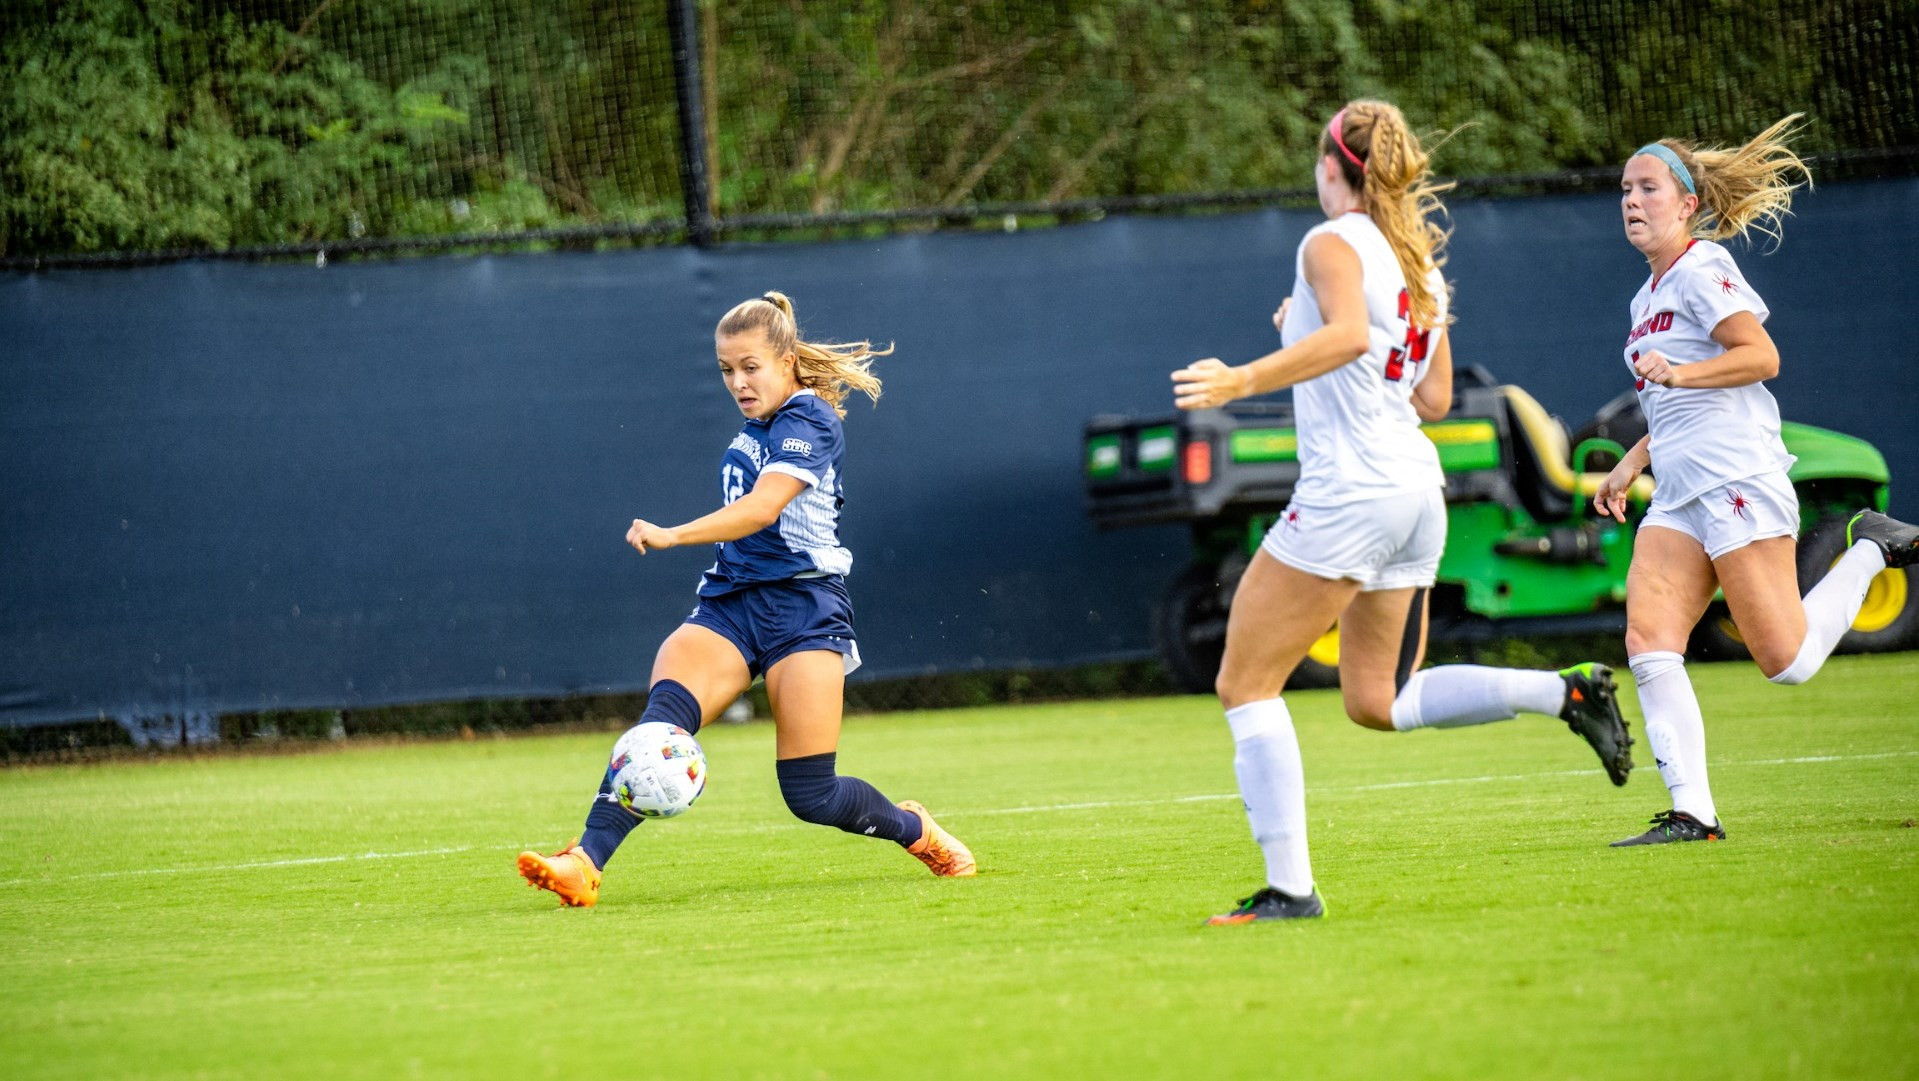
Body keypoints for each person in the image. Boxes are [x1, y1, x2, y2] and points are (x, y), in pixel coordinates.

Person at [1171, 100, 1635, 924]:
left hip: (1352, 487)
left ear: (1331, 166)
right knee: (1376, 700)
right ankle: (1560, 693)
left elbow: (1350, 337)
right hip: (1414, 488)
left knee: (1243, 682)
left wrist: (1247, 376)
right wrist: (1305, 330)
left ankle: (1289, 889)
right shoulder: (1412, 257)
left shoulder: (1330, 240)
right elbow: (1434, 394)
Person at [517, 292, 976, 907]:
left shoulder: (811, 421)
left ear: (787, 361)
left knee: (812, 795)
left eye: (750, 367)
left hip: (806, 609)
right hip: (730, 605)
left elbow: (762, 508)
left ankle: (915, 831)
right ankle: (583, 862)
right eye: (726, 370)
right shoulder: (757, 426)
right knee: (654, 733)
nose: (737, 381)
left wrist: (673, 533)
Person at [1593, 117, 1919, 847]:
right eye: (1623, 189)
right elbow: (1674, 400)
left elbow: (1759, 356)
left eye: (1647, 188)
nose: (1631, 200)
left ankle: (1867, 547)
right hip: (1679, 490)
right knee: (1648, 639)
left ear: (1685, 204)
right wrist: (1631, 460)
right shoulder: (1643, 301)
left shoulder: (1702, 268)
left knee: (1787, 662)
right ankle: (1692, 812)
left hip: (1737, 477)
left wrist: (1678, 370)